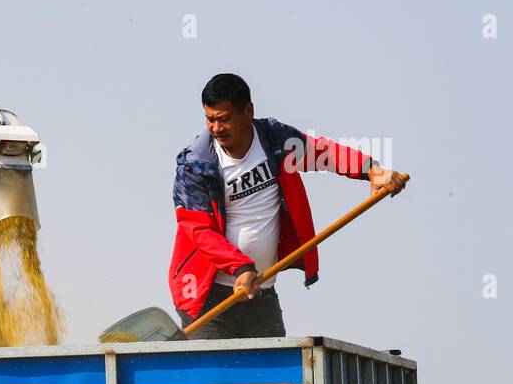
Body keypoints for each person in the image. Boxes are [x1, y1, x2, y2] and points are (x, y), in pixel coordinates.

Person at [169, 74, 406, 338]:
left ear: (248, 112)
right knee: (214, 379)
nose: (216, 128)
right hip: (208, 299)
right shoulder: (195, 166)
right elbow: (199, 231)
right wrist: (241, 267)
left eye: (224, 119)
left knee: (277, 377)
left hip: (260, 291)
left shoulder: (274, 140)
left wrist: (370, 170)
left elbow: (321, 152)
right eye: (210, 119)